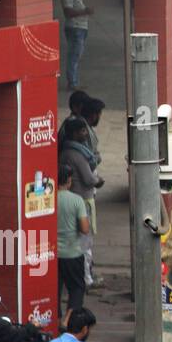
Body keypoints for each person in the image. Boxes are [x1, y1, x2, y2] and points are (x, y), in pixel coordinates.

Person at [58, 116, 102, 287]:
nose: (86, 134)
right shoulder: (76, 154)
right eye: (83, 131)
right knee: (85, 243)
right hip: (83, 200)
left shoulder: (69, 151)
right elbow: (89, 178)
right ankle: (86, 279)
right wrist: (98, 180)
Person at [56, 161, 90, 315]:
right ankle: (68, 319)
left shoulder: (49, 199)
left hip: (54, 254)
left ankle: (56, 319)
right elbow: (84, 229)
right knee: (76, 288)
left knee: (55, 290)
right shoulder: (77, 200)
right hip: (73, 253)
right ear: (69, 180)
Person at [61, 0, 93, 90]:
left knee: (77, 55)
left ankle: (74, 81)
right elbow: (68, 12)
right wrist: (84, 11)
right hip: (75, 28)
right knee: (74, 56)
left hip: (81, 27)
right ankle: (72, 83)